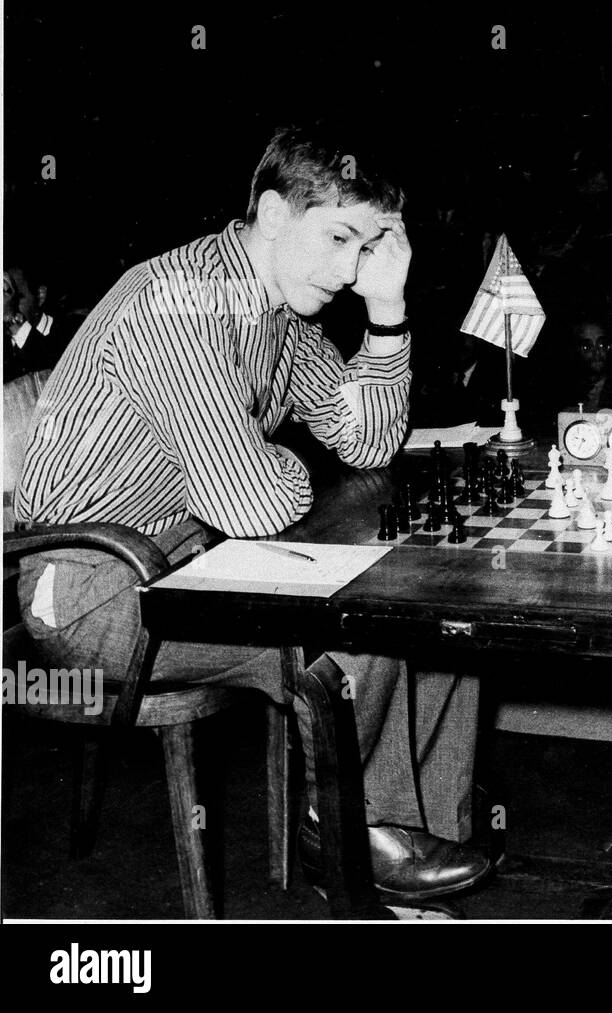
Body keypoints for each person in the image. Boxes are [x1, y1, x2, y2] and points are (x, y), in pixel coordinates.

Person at [13, 126, 492, 912]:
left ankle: (411, 871)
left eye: (367, 245)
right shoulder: (180, 302)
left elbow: (367, 437)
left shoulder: (284, 318)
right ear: (272, 213)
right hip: (93, 589)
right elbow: (254, 501)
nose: (349, 267)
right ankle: (343, 827)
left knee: (444, 617)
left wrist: (388, 309)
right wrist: (282, 467)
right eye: (338, 237)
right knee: (364, 623)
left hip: (183, 565)